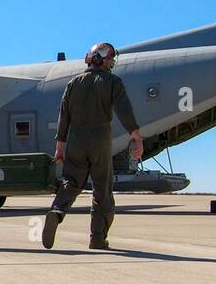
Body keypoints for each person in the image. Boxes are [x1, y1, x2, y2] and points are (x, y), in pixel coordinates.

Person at [42, 42, 143, 250]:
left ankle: (57, 211)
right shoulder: (112, 82)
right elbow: (124, 110)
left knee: (70, 182)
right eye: (111, 59)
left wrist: (60, 146)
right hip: (100, 142)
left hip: (75, 142)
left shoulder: (73, 83)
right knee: (102, 191)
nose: (112, 62)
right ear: (102, 59)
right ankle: (97, 238)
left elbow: (64, 116)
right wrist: (136, 136)